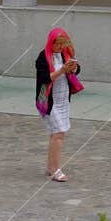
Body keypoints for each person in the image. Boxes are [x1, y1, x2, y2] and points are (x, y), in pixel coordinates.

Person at [35, 28, 81, 183]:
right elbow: (44, 79)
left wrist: (74, 67)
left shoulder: (65, 54)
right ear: (51, 42)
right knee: (59, 132)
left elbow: (76, 71)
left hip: (63, 99)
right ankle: (55, 170)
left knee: (56, 134)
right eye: (58, 44)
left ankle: (50, 167)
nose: (61, 47)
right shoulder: (43, 57)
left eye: (63, 44)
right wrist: (61, 70)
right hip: (48, 100)